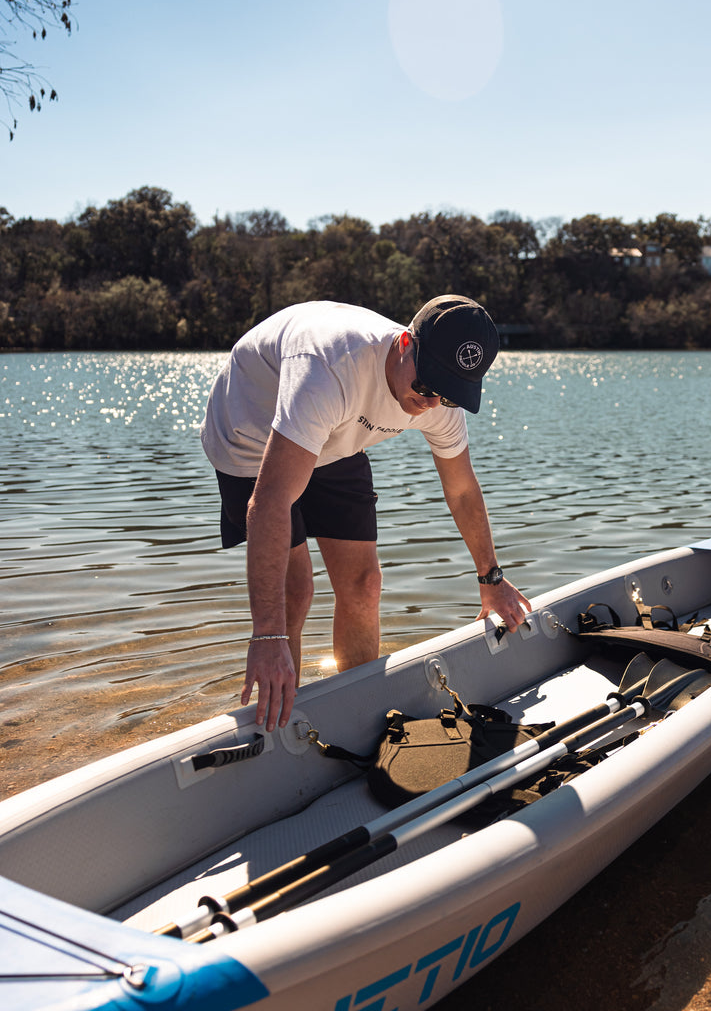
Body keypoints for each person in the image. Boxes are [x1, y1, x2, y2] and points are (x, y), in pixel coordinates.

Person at [201, 294, 531, 732]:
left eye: (449, 394)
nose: (431, 404)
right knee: (293, 593)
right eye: (427, 386)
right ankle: (278, 724)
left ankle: (359, 718)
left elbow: (463, 490)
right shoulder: (330, 369)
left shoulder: (440, 398)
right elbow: (271, 501)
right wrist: (266, 634)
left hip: (338, 433)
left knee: (364, 583)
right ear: (403, 346)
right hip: (251, 432)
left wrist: (490, 579)